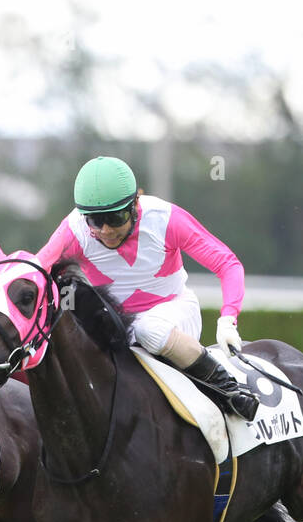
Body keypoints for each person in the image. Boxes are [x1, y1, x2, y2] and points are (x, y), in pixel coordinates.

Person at [37, 156, 259, 420]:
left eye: (115, 217)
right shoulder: (74, 231)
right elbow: (34, 273)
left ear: (135, 204)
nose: (106, 230)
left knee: (147, 329)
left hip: (174, 313)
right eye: (96, 221)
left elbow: (227, 263)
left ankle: (230, 391)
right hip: (115, 327)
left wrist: (228, 320)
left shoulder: (166, 219)